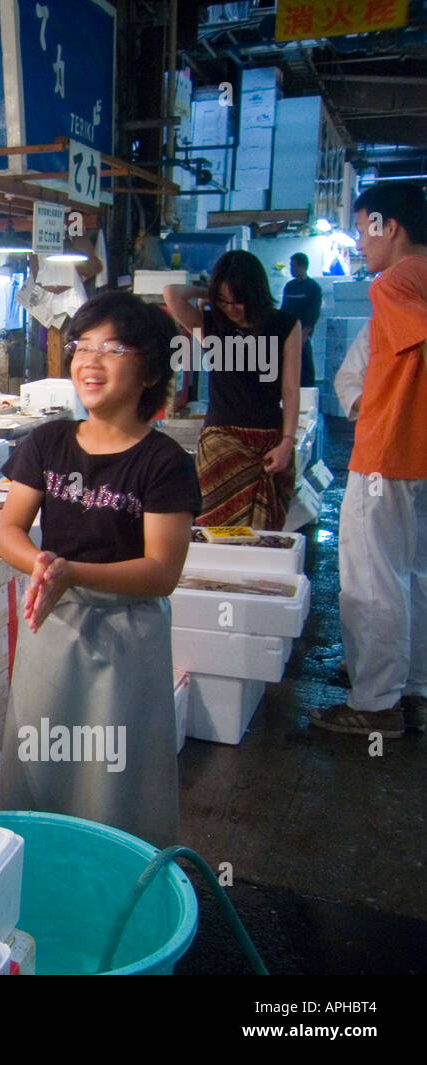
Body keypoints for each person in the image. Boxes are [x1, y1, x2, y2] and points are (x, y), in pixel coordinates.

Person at [0, 291, 201, 848]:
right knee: (40, 757)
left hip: (126, 636)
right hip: (52, 625)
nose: (89, 361)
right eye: (82, 346)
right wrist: (43, 564)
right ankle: (33, 866)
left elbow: (161, 572)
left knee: (116, 773)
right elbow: (9, 529)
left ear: (150, 367)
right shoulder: (48, 442)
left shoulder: (165, 463)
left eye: (111, 348)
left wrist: (72, 572)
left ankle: (118, 876)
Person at [310, 182, 427, 739]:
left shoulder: (397, 283)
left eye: (362, 228)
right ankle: (413, 688)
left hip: (390, 451)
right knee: (414, 575)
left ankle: (376, 704)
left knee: (373, 578)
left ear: (390, 226)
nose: (359, 241)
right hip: (418, 457)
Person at [164, 250, 302, 530]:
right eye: (223, 301)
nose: (231, 309)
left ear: (256, 293)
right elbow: (171, 293)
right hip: (221, 443)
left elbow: (290, 389)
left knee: (264, 536)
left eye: (238, 300)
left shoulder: (285, 325)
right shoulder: (212, 322)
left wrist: (287, 441)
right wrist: (213, 293)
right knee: (214, 529)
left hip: (270, 442)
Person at [281, 252, 322, 387]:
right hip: (286, 334)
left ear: (302, 266)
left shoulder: (313, 288)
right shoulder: (290, 286)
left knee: (305, 370)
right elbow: (284, 309)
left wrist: (303, 336)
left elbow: (313, 315)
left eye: (294, 266)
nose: (292, 269)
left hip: (302, 336)